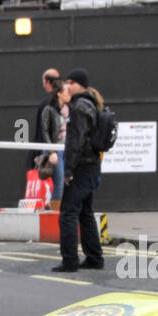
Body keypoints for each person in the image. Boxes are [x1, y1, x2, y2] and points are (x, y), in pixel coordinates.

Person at [55, 68, 106, 273]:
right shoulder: (92, 104)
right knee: (85, 213)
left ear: (80, 85)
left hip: (81, 167)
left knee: (67, 213)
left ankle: (69, 260)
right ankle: (94, 257)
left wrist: (68, 170)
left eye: (71, 82)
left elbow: (75, 141)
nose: (67, 85)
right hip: (91, 166)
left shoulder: (78, 107)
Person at [34, 76, 67, 206]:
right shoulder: (49, 109)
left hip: (66, 149)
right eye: (66, 91)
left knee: (65, 182)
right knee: (59, 182)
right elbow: (45, 131)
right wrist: (52, 151)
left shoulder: (68, 109)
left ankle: (57, 210)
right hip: (55, 150)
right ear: (59, 93)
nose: (68, 93)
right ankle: (55, 214)